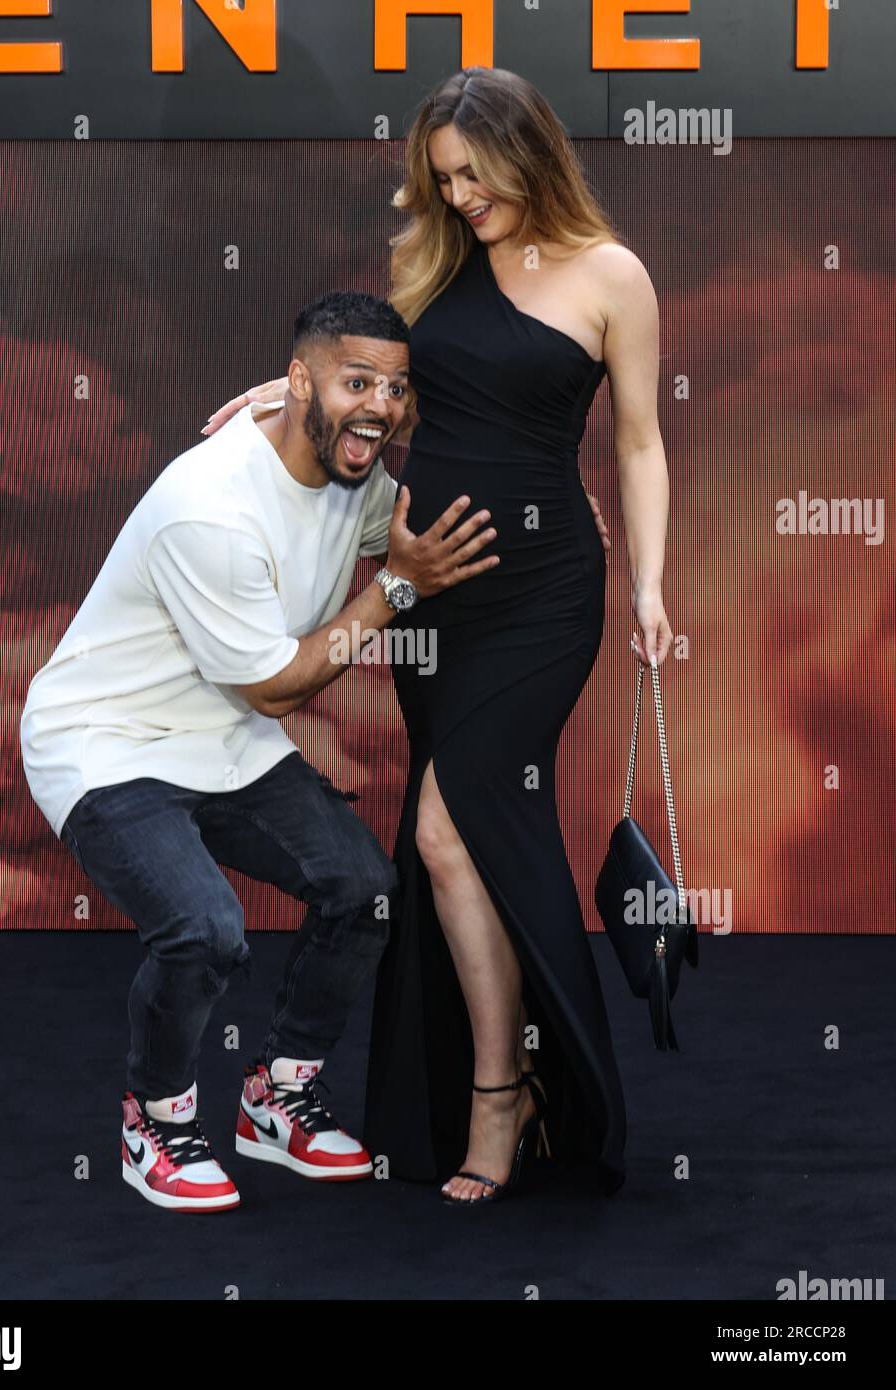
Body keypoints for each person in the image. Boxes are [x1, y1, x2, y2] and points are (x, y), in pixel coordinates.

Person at [202, 67, 672, 1205]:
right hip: (431, 587)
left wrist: (651, 587)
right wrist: (285, 392)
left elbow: (642, 442)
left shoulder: (612, 275)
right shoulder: (437, 266)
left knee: (452, 836)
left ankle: (498, 1101)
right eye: (444, 177)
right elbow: (376, 377)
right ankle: (515, 1084)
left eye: (476, 173)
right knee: (462, 839)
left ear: (532, 153)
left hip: (547, 590)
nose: (459, 196)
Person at [19, 291, 502, 1212]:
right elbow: (278, 688)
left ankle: (274, 1097)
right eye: (356, 382)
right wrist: (395, 588)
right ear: (298, 380)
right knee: (204, 932)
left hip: (225, 741)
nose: (381, 407)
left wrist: (553, 520)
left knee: (363, 891)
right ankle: (155, 1119)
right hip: (109, 742)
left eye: (396, 389)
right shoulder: (210, 507)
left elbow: (441, 504)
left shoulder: (353, 475)